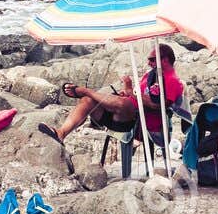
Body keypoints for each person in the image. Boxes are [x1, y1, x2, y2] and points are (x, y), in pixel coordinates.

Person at [38, 45, 183, 146]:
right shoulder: (150, 76)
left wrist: (131, 92)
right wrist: (127, 91)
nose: (148, 62)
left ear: (164, 60)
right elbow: (136, 94)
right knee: (88, 101)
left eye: (152, 59)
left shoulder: (173, 81)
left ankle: (86, 90)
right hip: (122, 116)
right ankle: (61, 133)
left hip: (140, 123)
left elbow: (159, 105)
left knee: (122, 103)